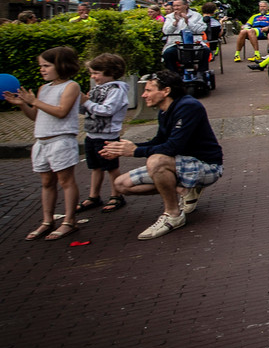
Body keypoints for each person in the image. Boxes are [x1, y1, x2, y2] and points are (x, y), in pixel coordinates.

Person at [101, 70, 224, 240]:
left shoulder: (188, 107)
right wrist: (126, 147)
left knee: (156, 162)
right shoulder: (164, 111)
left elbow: (172, 147)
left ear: (166, 91)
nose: (143, 95)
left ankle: (173, 215)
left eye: (149, 90)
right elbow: (159, 140)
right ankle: (183, 188)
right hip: (179, 164)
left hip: (207, 166)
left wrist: (135, 151)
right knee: (121, 185)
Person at [6, 47, 82, 241]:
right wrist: (23, 104)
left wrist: (34, 101)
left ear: (62, 65)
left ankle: (69, 221)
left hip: (61, 140)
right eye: (41, 66)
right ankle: (47, 221)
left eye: (46, 65)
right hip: (42, 141)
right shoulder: (44, 88)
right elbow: (36, 116)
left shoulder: (71, 86)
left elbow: (61, 111)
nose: (42, 69)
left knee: (66, 181)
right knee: (46, 182)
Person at [77, 53, 131, 213]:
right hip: (92, 134)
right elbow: (88, 108)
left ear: (111, 72)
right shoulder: (97, 88)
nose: (93, 77)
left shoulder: (116, 89)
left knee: (111, 167)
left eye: (96, 73)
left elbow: (107, 110)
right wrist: (81, 103)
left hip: (107, 136)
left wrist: (86, 102)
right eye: (92, 73)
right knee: (95, 167)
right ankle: (94, 196)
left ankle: (117, 195)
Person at [160, 0, 207, 73]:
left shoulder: (196, 16)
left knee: (205, 51)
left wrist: (188, 21)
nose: (175, 8)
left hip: (194, 43)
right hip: (176, 44)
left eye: (178, 6)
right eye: (174, 6)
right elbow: (166, 31)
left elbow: (201, 29)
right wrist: (175, 23)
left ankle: (201, 73)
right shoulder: (170, 17)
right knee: (167, 53)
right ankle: (174, 75)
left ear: (186, 6)